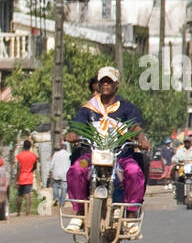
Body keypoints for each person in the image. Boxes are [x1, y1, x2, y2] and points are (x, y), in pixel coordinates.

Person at [63, 66, 150, 220]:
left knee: (134, 171)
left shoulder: (126, 107)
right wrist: (72, 134)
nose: (105, 85)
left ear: (116, 85)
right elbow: (78, 125)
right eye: (102, 82)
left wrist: (141, 138)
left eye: (109, 82)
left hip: (121, 156)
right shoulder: (89, 108)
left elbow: (135, 126)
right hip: (92, 155)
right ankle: (80, 211)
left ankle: (130, 213)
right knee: (76, 169)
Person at [13, 139, 39, 215]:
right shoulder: (33, 155)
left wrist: (16, 179)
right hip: (29, 176)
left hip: (21, 176)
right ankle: (27, 212)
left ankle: (18, 212)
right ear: (30, 146)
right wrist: (30, 170)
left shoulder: (20, 155)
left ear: (23, 146)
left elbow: (18, 168)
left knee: (20, 195)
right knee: (28, 194)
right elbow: (35, 166)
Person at [48, 140, 70, 206]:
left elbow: (52, 164)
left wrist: (50, 171)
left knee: (55, 186)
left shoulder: (56, 154)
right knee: (64, 188)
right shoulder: (69, 155)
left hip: (56, 173)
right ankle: (62, 202)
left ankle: (56, 198)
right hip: (65, 174)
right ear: (66, 148)